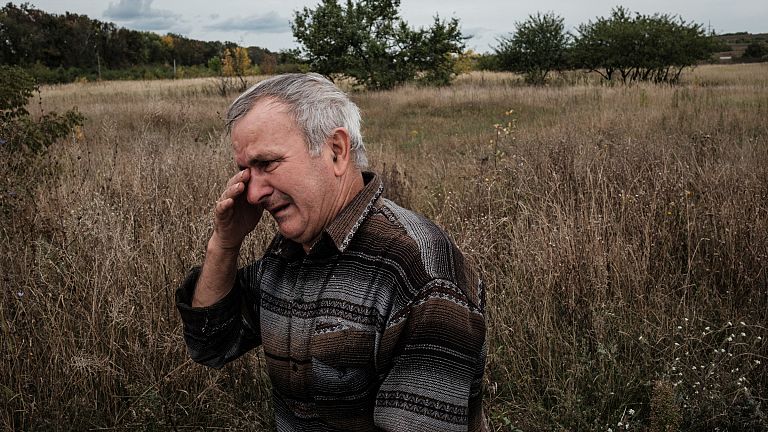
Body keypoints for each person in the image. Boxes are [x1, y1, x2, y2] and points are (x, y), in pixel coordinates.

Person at [175, 73, 488, 431]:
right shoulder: (290, 252)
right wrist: (225, 243)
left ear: (336, 151)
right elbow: (211, 343)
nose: (253, 193)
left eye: (267, 164)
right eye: (245, 170)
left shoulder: (422, 275)